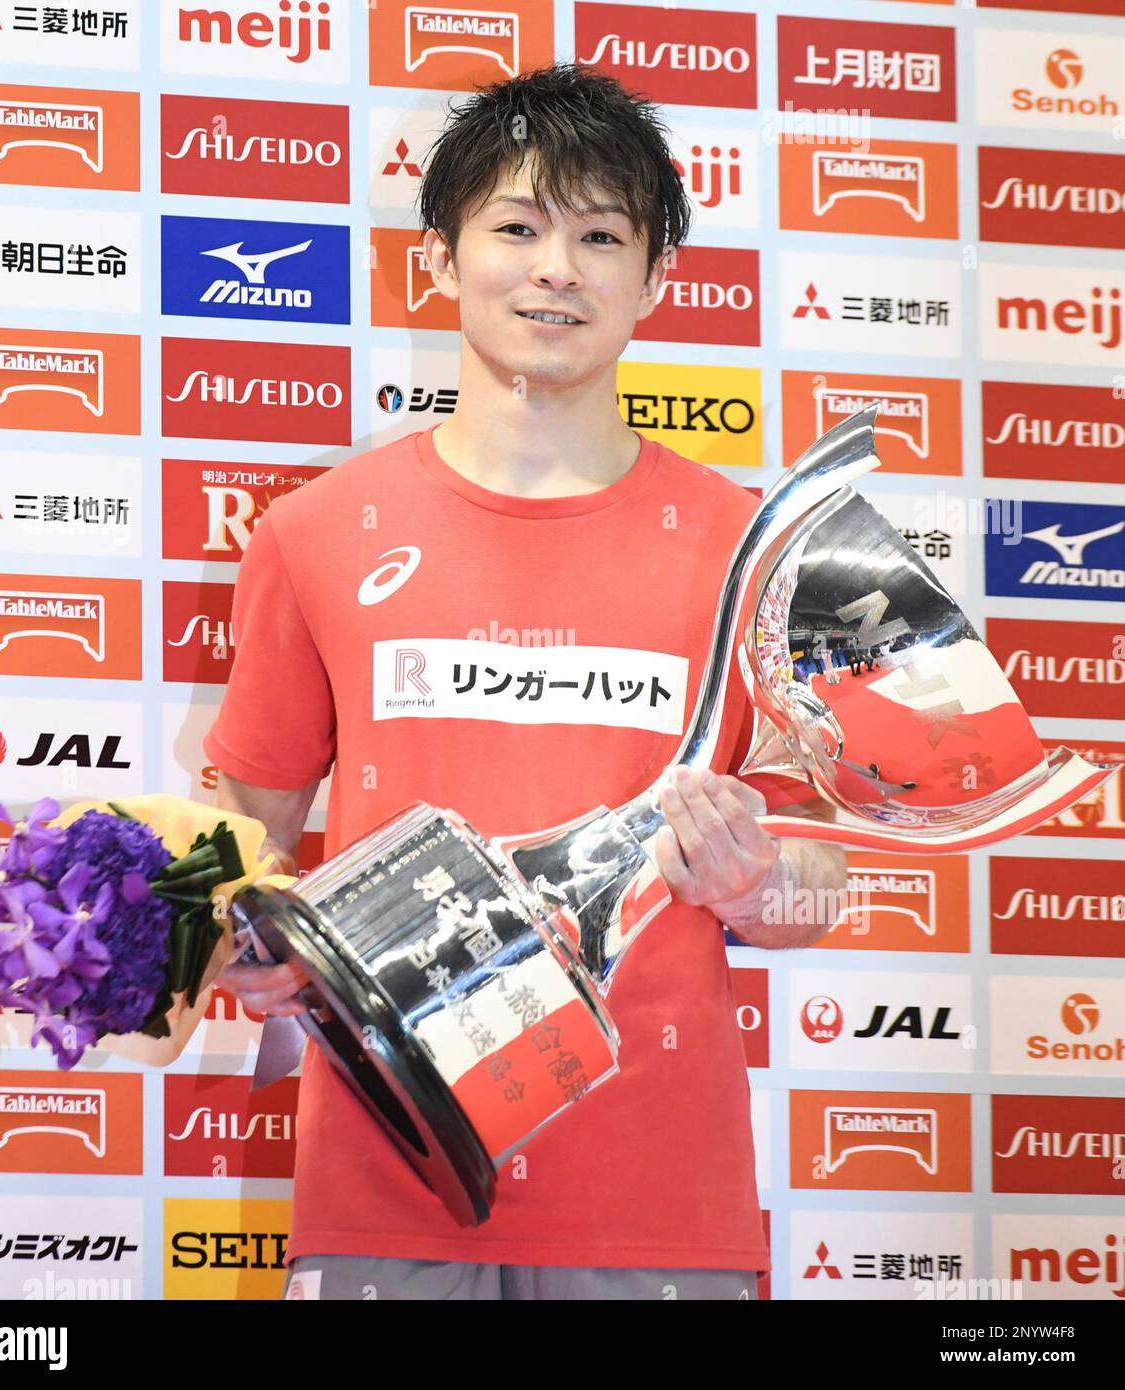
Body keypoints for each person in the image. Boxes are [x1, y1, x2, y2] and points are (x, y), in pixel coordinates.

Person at [203, 62, 847, 1301]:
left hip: (658, 1195)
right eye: (516, 227)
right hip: (388, 1171)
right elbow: (246, 843)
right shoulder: (315, 531)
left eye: (602, 235)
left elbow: (827, 888)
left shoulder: (753, 549)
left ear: (655, 279)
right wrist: (231, 934)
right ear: (439, 261)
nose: (558, 268)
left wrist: (761, 882)